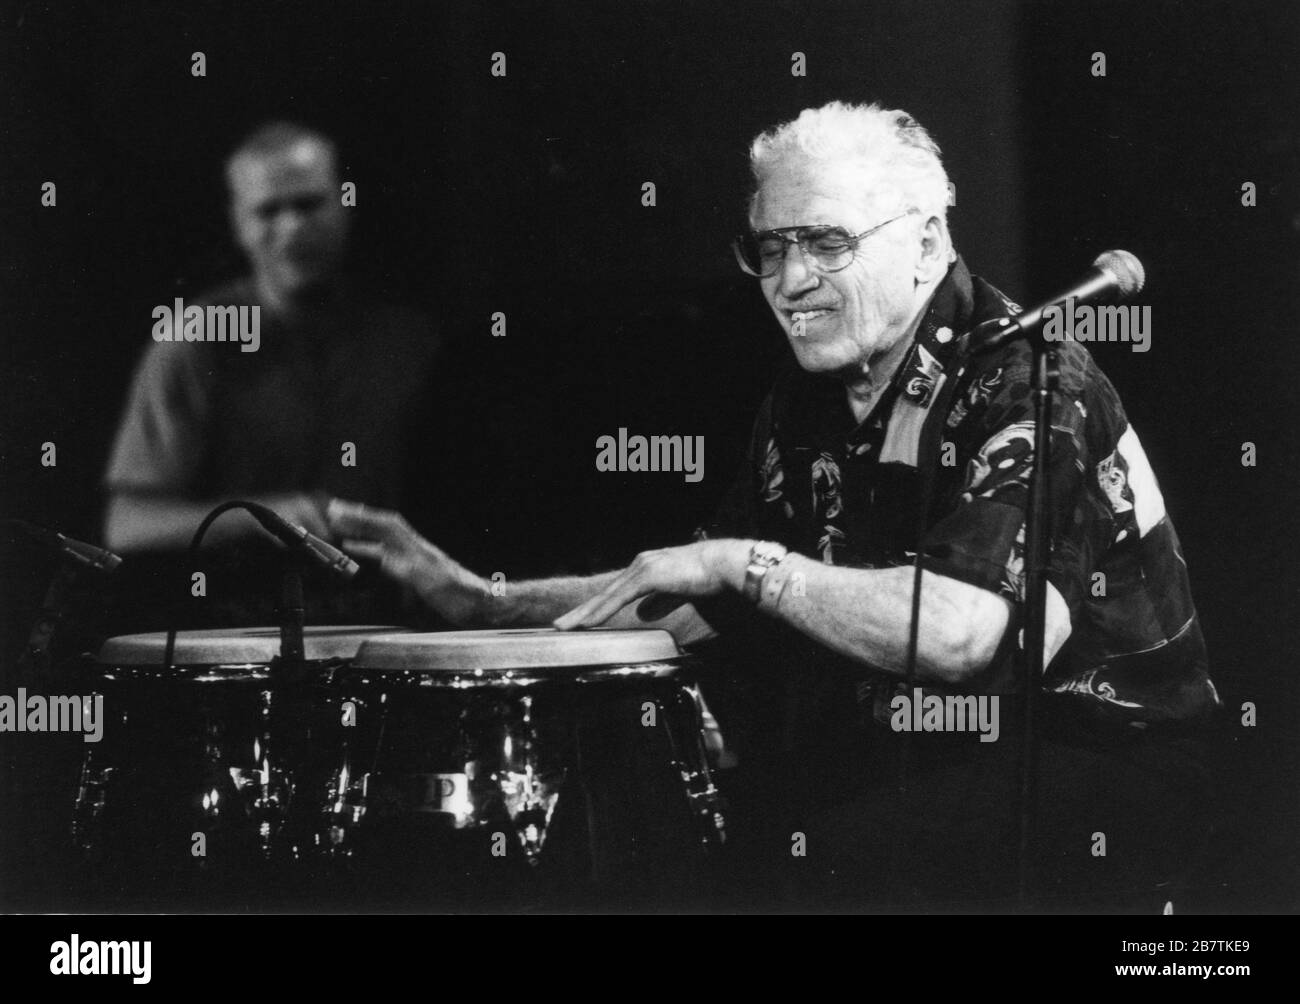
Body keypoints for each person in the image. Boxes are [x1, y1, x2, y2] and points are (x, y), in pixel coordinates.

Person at [326, 102, 1221, 909]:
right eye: (770, 245)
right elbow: (689, 600)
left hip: (1097, 755)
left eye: (827, 242)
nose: (790, 281)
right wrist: (487, 605)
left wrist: (749, 567)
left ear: (925, 241)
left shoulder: (1029, 376)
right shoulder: (807, 398)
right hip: (925, 752)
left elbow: (959, 635)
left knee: (819, 864)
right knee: (648, 838)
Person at [102, 121, 440, 624]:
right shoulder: (196, 339)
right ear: (238, 222)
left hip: (385, 634)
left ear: (346, 204)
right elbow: (127, 524)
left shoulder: (408, 340)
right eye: (268, 211)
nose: (292, 227)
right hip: (237, 638)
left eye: (309, 204)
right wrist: (253, 516)